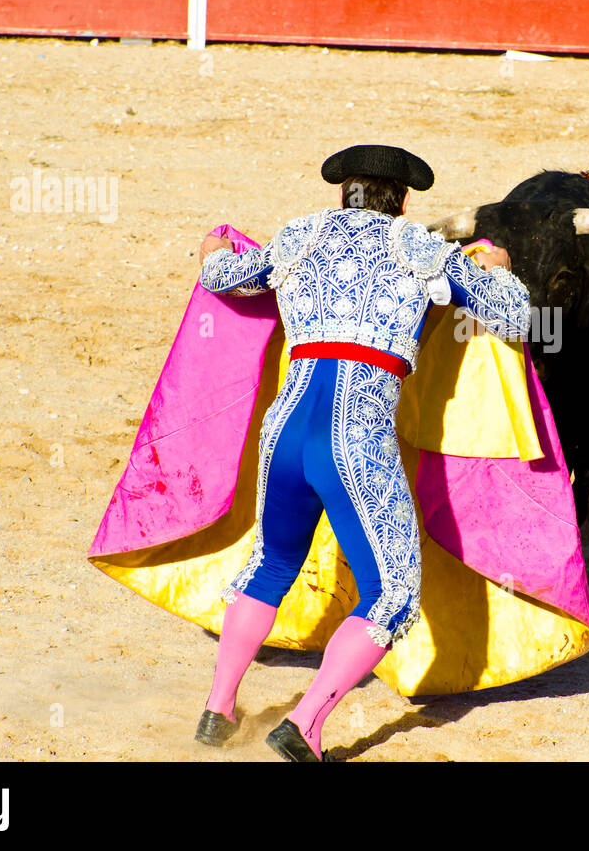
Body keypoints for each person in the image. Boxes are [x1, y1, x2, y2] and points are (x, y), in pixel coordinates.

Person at [192, 144, 530, 761]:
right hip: (357, 440)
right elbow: (514, 316)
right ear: (404, 201)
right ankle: (306, 725)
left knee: (272, 561)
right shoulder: (420, 249)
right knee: (392, 592)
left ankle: (217, 708)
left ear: (341, 191)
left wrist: (214, 248)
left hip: (284, 432)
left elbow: (222, 278)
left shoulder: (300, 235)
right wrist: (500, 266)